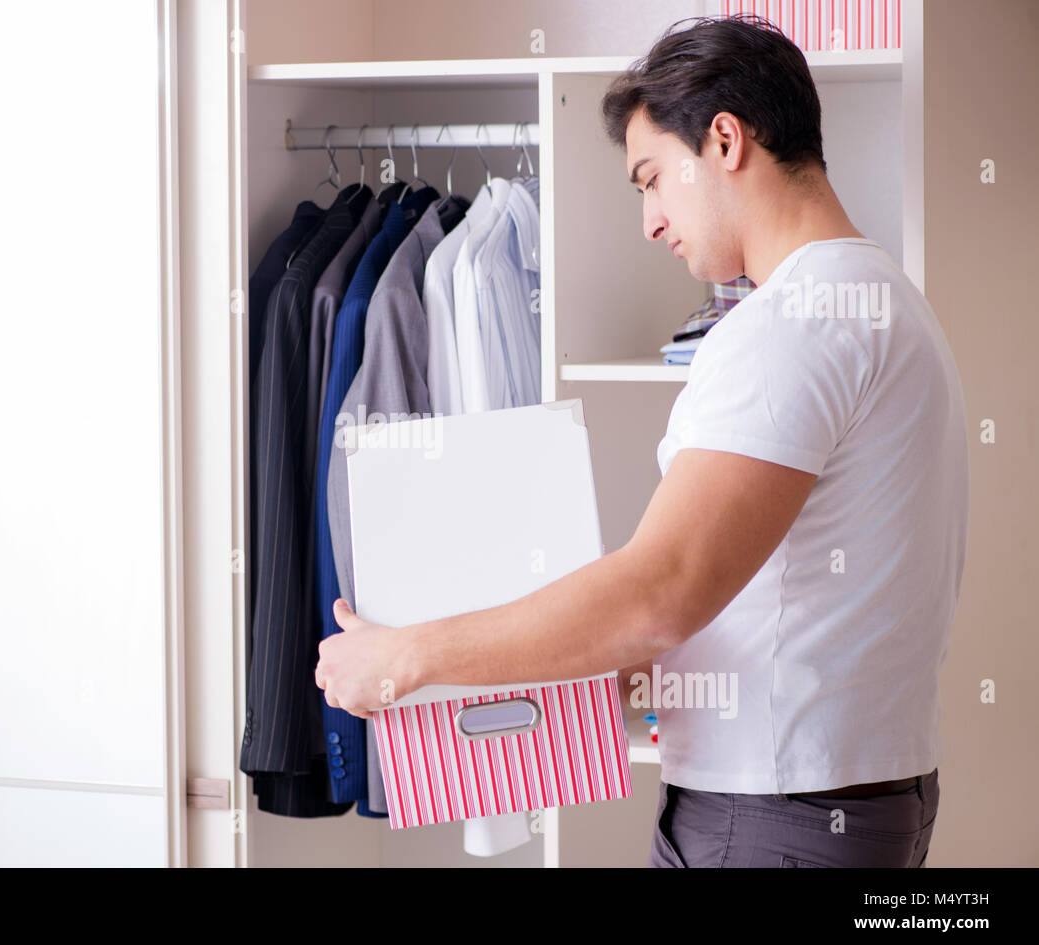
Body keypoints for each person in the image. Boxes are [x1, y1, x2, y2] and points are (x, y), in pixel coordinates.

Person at [314, 13, 967, 868]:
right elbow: (812, 586)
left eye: (652, 179)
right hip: (869, 801)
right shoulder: (888, 300)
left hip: (771, 822)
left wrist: (406, 658)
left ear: (725, 140)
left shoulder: (783, 328)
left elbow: (660, 591)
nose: (651, 221)